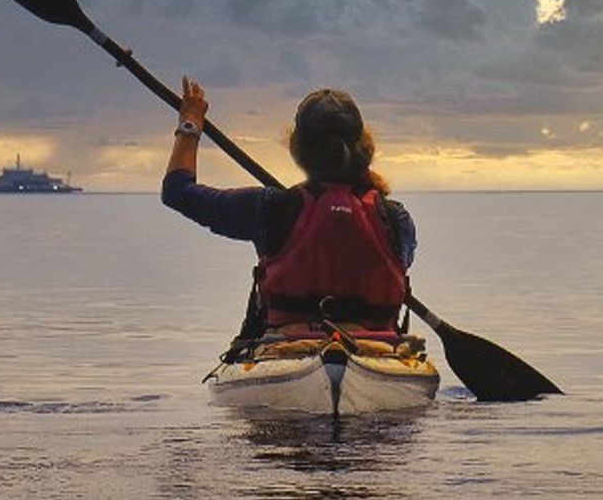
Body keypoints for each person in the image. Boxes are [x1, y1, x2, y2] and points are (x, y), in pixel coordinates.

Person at [162, 77, 416, 346]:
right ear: (363, 146)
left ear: (297, 148)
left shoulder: (271, 208)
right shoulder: (396, 219)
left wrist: (190, 124)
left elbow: (177, 191)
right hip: (377, 350)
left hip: (288, 347)